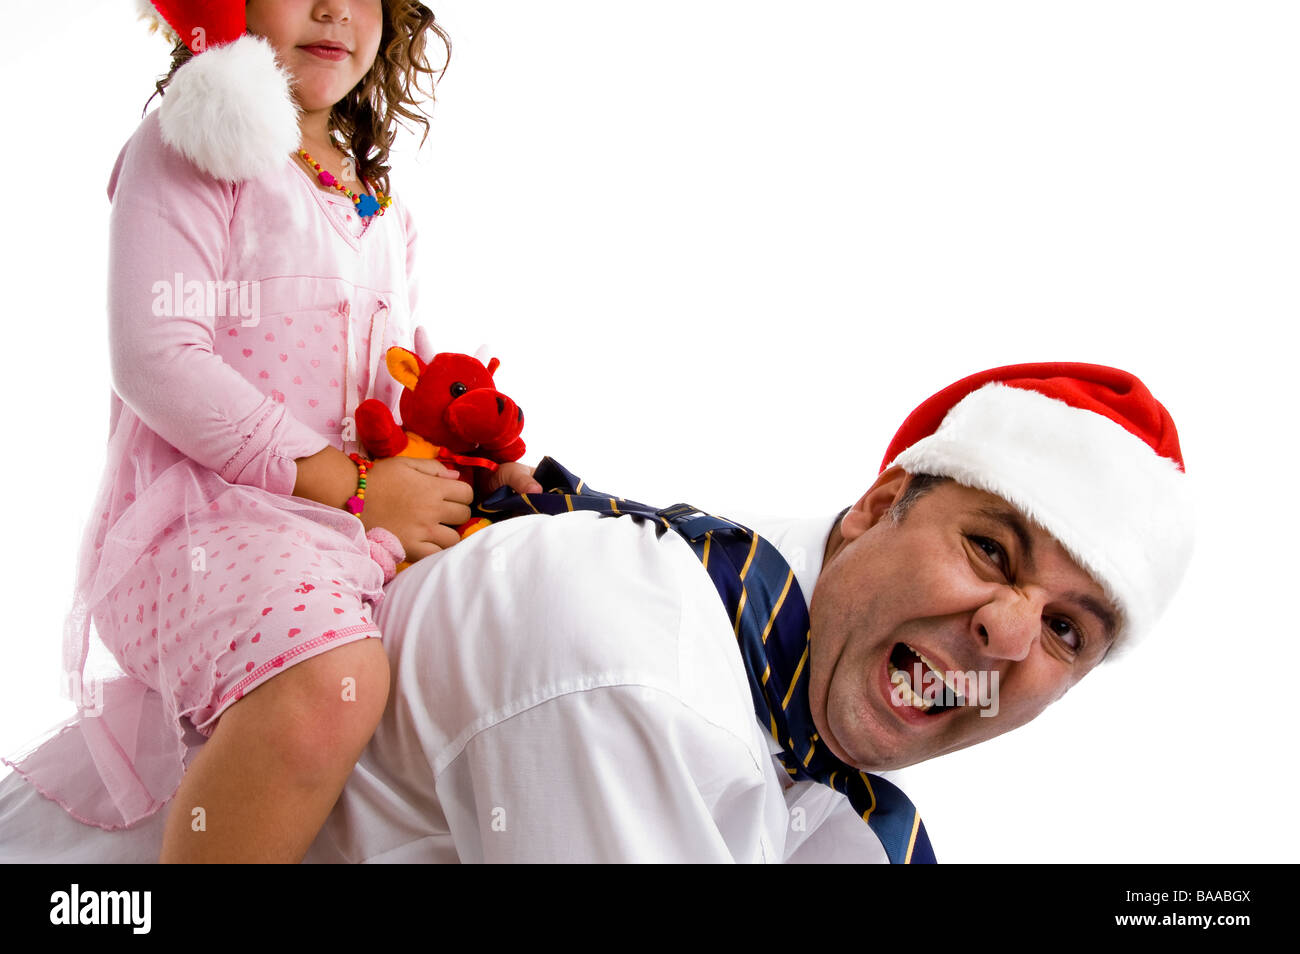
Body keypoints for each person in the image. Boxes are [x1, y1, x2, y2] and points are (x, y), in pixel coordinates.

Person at [0, 0, 536, 863]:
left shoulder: (381, 207)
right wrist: (356, 488)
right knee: (333, 681)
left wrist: (477, 456)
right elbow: (157, 357)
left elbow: (401, 370)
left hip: (345, 526)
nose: (332, 8)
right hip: (197, 526)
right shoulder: (193, 149)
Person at [307, 360, 1193, 862]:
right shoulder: (636, 663)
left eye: (1066, 631)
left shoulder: (832, 789)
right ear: (878, 509)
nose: (1007, 633)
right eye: (990, 550)